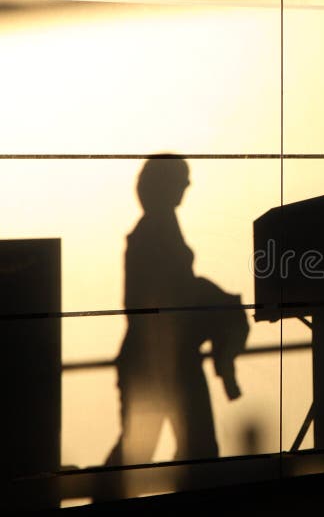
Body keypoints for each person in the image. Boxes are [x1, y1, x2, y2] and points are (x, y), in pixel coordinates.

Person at [106, 154, 247, 468]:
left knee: (168, 452)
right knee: (151, 453)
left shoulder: (158, 228)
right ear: (165, 185)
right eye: (182, 179)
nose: (187, 185)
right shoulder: (154, 232)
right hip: (160, 362)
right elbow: (165, 294)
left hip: (167, 359)